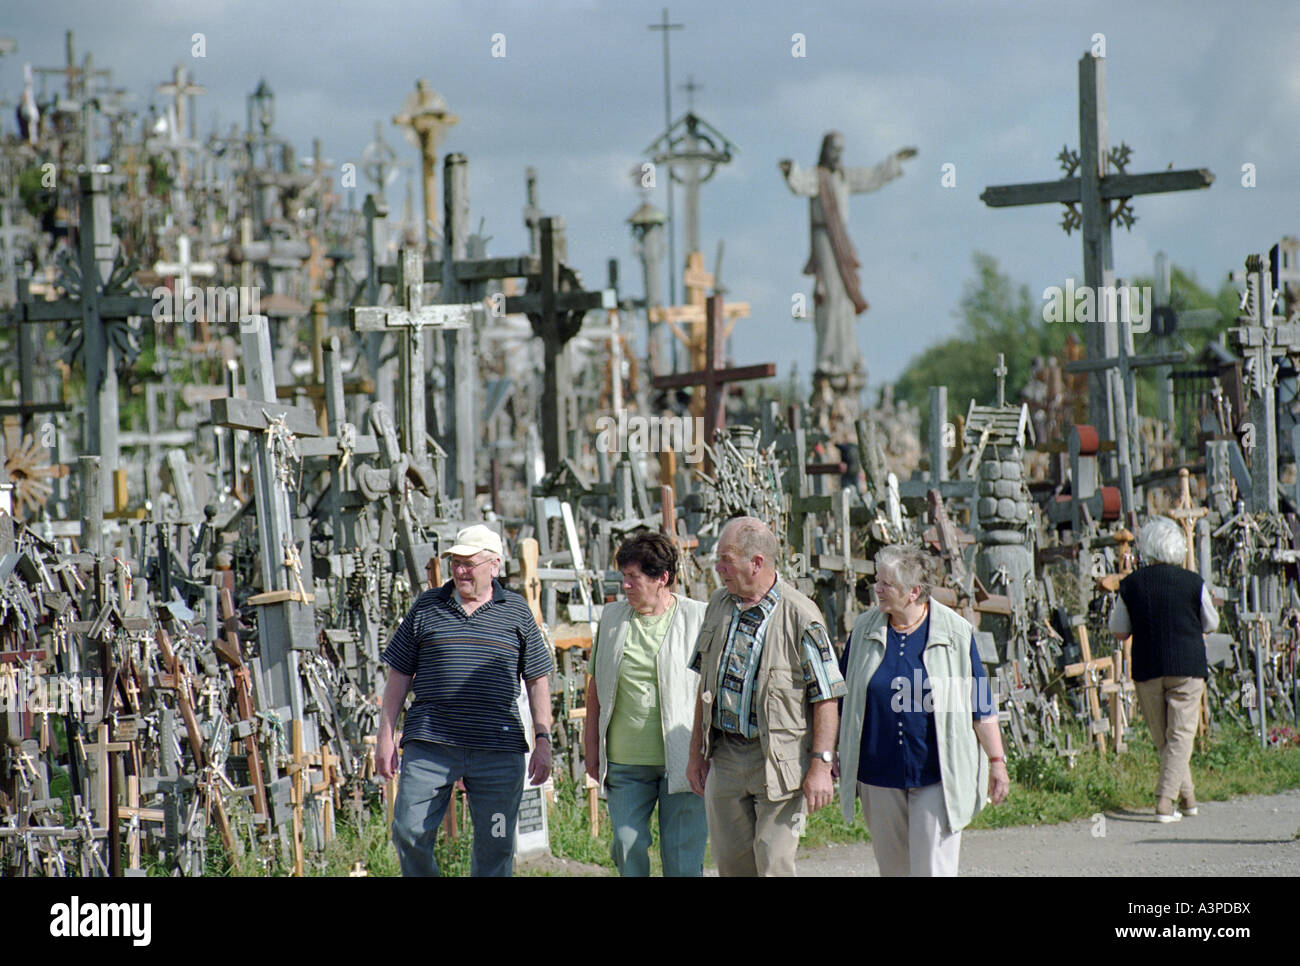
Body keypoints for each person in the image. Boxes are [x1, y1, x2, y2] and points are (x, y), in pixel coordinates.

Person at [375, 524, 554, 876]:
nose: (459, 571)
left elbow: (537, 678)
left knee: (497, 841)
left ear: (495, 566)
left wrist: (543, 739)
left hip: (498, 751)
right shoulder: (428, 607)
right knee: (409, 831)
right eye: (455, 562)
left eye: (469, 563)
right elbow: (398, 675)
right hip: (430, 745)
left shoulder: (516, 612)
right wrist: (385, 736)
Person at [686, 516, 846, 876]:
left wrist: (821, 765)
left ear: (756, 562)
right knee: (732, 866)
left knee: (773, 863)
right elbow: (705, 686)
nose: (719, 567)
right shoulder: (719, 604)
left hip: (778, 761)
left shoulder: (801, 615)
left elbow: (827, 696)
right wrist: (697, 753)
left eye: (727, 559)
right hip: (725, 757)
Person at [838, 545, 1009, 876]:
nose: (878, 588)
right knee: (894, 870)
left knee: (933, 870)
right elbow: (844, 697)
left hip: (937, 773)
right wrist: (829, 754)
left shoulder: (955, 632)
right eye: (878, 580)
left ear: (914, 592)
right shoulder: (864, 629)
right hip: (878, 773)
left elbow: (981, 703)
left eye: (887, 584)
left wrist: (997, 762)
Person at [584, 531, 709, 876]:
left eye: (632, 578)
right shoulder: (612, 619)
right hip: (626, 761)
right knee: (627, 845)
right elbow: (596, 689)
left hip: (684, 759)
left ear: (662, 578)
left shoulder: (698, 618)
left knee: (683, 859)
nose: (624, 585)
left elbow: (709, 689)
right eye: (623, 576)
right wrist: (591, 749)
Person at [779, 131, 916, 378]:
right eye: (834, 149)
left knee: (845, 300)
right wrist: (790, 170)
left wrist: (894, 160)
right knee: (830, 296)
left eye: (841, 150)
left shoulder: (843, 177)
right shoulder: (818, 178)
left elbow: (872, 177)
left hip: (841, 239)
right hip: (825, 238)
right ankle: (828, 357)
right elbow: (799, 183)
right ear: (825, 150)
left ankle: (847, 356)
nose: (838, 155)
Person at [1110, 517, 1219, 822]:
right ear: (1179, 549)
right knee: (1181, 735)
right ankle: (1165, 801)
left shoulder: (1131, 585)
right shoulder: (1193, 582)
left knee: (1166, 739)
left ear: (1147, 549)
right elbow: (1212, 623)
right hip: (1187, 666)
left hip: (1147, 668)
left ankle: (1186, 799)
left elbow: (1119, 630)